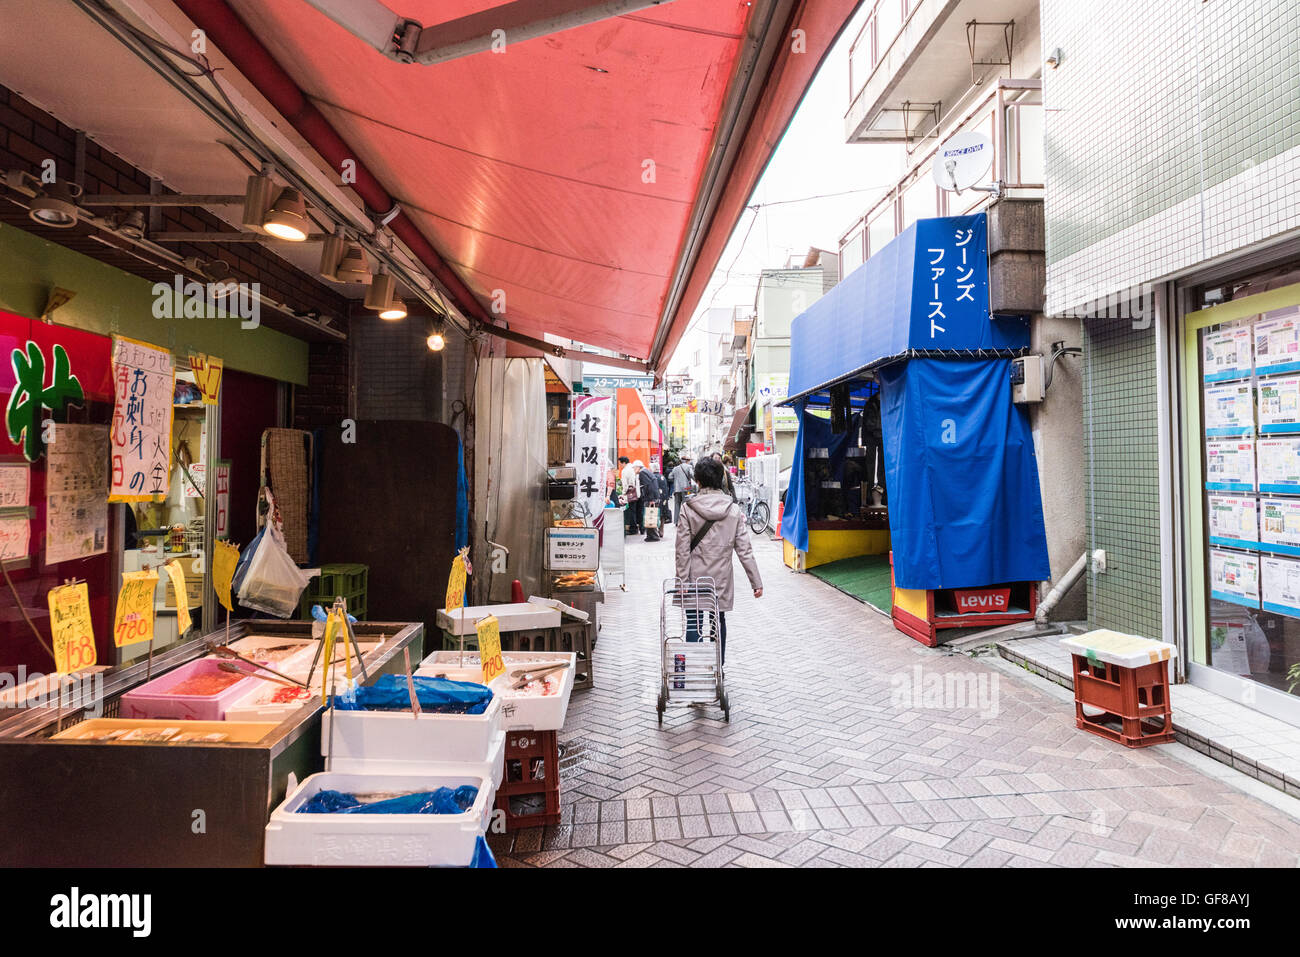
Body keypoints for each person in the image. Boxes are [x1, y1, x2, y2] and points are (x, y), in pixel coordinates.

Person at [674, 456, 763, 666]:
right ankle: (716, 669)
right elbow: (745, 550)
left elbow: (682, 550)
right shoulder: (733, 510)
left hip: (694, 579)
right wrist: (756, 583)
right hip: (720, 580)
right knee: (718, 621)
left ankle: (695, 669)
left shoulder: (688, 509)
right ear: (721, 479)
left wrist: (682, 581)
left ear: (697, 481)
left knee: (694, 623)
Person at [639, 464, 662, 541]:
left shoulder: (642, 473)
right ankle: (651, 535)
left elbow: (648, 485)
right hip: (653, 497)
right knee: (651, 515)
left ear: (638, 467)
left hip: (651, 498)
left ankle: (654, 536)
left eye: (634, 468)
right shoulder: (647, 472)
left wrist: (651, 499)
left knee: (650, 516)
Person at [668, 455, 694, 523]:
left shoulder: (675, 468)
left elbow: (670, 477)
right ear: (686, 460)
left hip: (677, 489)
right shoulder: (689, 467)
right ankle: (684, 521)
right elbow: (692, 475)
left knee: (677, 505)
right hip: (686, 488)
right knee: (685, 504)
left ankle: (676, 521)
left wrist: (676, 480)